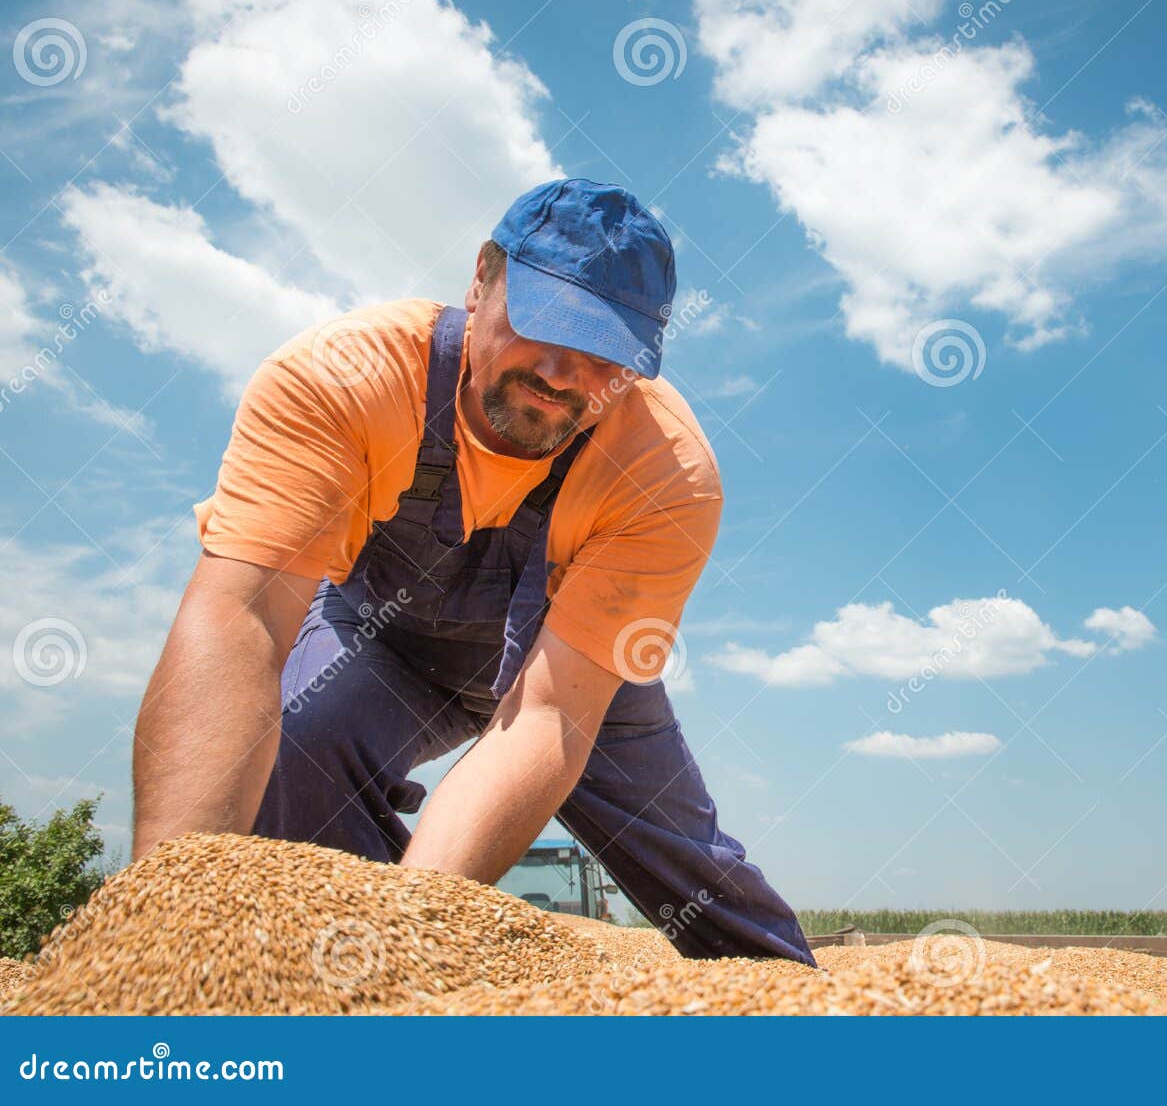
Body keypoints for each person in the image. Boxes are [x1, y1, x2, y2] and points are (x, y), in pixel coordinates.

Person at [129, 177, 814, 965]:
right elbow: (239, 619)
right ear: (484, 276)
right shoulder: (344, 380)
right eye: (546, 326)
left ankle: (798, 1017)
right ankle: (315, 991)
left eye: (607, 358)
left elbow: (551, 716)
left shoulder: (666, 473)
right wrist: (160, 915)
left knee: (690, 867)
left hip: (569, 671)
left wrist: (409, 932)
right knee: (304, 737)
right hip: (385, 640)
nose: (564, 375)